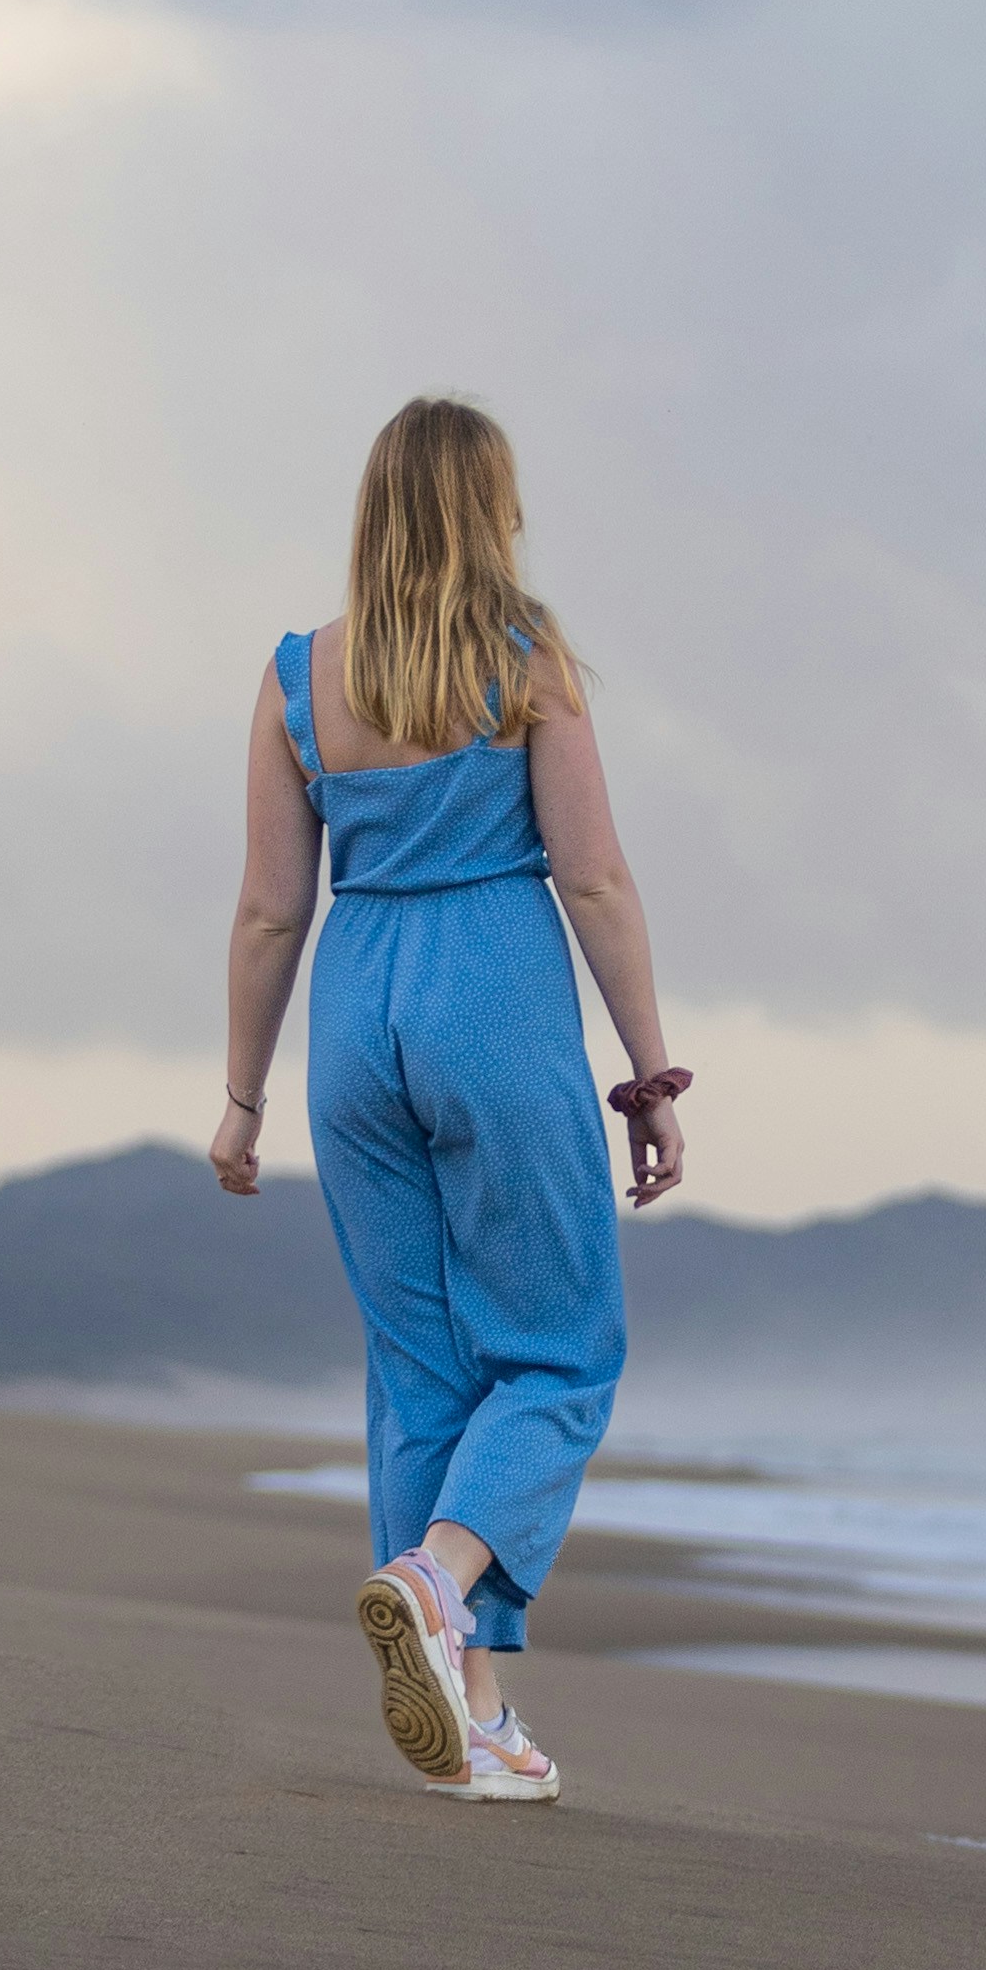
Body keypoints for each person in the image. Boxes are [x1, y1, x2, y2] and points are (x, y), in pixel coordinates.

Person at [211, 395, 687, 1807]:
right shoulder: (526, 660)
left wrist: (241, 1097)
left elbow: (262, 912)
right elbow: (593, 877)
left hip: (356, 1015)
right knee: (555, 1355)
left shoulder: (300, 676)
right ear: (493, 510)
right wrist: (647, 1071)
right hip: (490, 996)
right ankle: (432, 1575)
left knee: (422, 1369)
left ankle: (473, 1715)